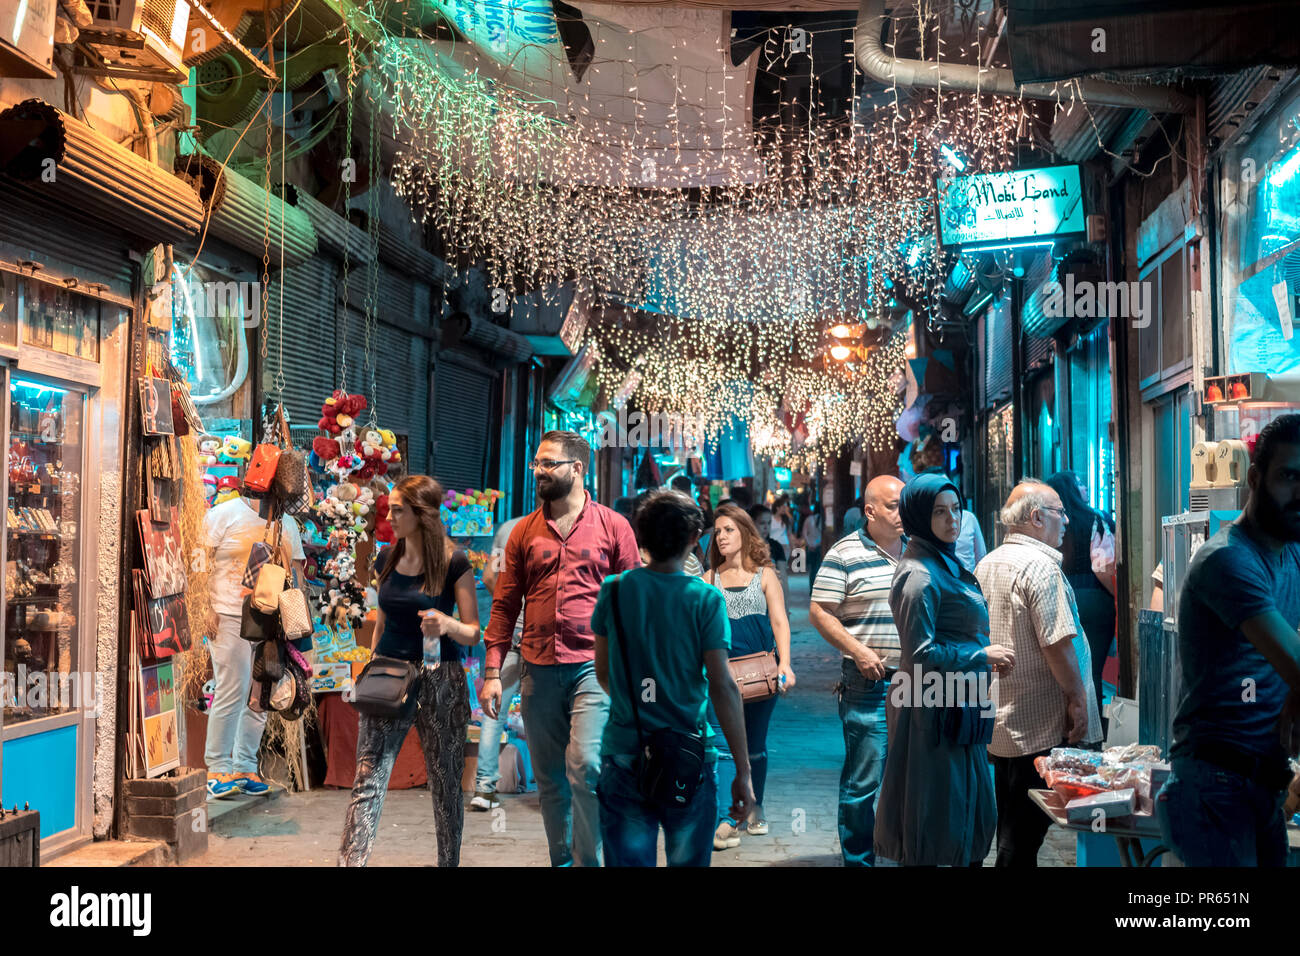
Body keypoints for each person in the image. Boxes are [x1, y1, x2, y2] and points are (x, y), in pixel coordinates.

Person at [481, 431, 641, 867]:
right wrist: (492, 672)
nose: (539, 471)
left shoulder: (614, 526)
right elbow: (504, 605)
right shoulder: (523, 533)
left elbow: (636, 600)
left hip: (596, 666)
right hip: (538, 667)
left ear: (578, 468)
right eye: (536, 463)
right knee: (550, 780)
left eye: (549, 463)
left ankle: (589, 862)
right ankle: (562, 862)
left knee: (586, 766)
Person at [1156, 414, 1300, 866]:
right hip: (1214, 787)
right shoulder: (1227, 561)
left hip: (1262, 785)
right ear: (1255, 478)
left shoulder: (1292, 553)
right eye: (1289, 476)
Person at [591, 491, 755, 866]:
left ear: (640, 536)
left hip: (624, 751)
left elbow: (604, 673)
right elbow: (722, 686)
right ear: (695, 538)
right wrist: (743, 772)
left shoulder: (614, 591)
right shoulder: (706, 600)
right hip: (689, 755)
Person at [874, 473, 1015, 866]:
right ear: (919, 516)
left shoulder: (941, 561)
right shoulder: (919, 575)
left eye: (956, 509)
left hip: (958, 700)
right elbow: (919, 653)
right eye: (939, 512)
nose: (952, 519)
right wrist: (980, 656)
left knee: (964, 806)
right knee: (935, 813)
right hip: (930, 706)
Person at [339, 475, 479, 866]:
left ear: (421, 514)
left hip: (441, 680)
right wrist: (369, 664)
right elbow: (381, 623)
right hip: (389, 676)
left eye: (398, 510)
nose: (390, 516)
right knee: (368, 778)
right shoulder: (385, 558)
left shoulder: (455, 562)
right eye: (389, 508)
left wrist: (446, 624)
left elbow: (472, 632)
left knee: (446, 782)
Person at [976, 480, 1102, 867]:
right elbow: (1057, 644)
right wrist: (1077, 701)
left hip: (1004, 721)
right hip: (1040, 725)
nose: (1066, 520)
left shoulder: (988, 562)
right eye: (1059, 512)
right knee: (1022, 836)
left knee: (1013, 827)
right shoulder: (1041, 568)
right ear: (1036, 518)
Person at [809, 474, 905, 867]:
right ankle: (859, 861)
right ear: (870, 511)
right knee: (863, 783)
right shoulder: (845, 554)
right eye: (892, 506)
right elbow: (819, 610)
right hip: (871, 684)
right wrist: (858, 651)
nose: (902, 513)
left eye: (904, 504)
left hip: (920, 684)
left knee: (911, 779)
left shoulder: (920, 550)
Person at [203, 484, 305, 799]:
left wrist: (295, 619)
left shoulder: (287, 523)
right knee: (232, 689)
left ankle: (244, 766)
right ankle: (217, 767)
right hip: (229, 613)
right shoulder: (225, 514)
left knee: (261, 693)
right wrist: (205, 606)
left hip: (270, 621)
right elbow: (200, 563)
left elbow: (297, 571)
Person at [704, 504, 794, 848]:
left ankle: (755, 806)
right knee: (725, 747)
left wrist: (785, 663)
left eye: (729, 529)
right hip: (722, 677)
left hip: (760, 674)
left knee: (755, 746)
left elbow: (779, 622)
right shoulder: (709, 579)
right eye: (718, 531)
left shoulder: (765, 575)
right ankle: (728, 815)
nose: (722, 536)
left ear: (744, 532)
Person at [1046, 470, 1117, 733]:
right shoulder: (1096, 518)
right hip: (1095, 600)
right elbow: (1103, 566)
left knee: (1066, 670)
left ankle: (1066, 730)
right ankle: (1091, 734)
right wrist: (1116, 599)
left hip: (1062, 596)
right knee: (1093, 671)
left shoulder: (1050, 524)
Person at [472, 512, 527, 811]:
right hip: (544, 636)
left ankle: (484, 787)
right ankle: (555, 787)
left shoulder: (508, 528)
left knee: (495, 710)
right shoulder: (556, 529)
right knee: (548, 711)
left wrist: (509, 603)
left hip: (511, 632)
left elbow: (491, 576)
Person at [800, 499, 824, 584]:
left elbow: (804, 533)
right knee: (819, 568)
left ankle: (811, 588)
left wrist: (809, 544)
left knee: (812, 569)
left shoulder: (809, 519)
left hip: (810, 547)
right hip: (820, 546)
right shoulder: (823, 520)